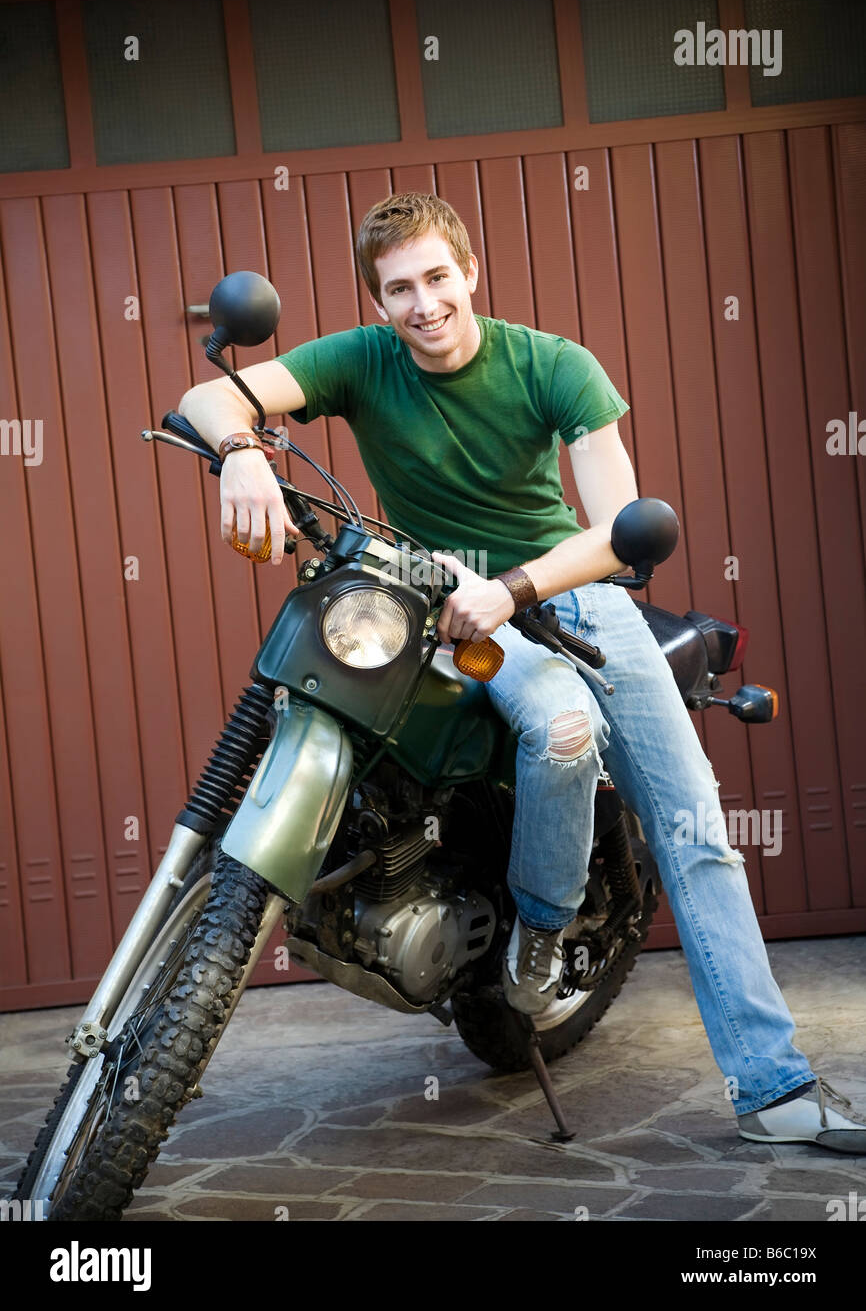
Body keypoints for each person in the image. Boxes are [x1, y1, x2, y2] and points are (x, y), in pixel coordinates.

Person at [179, 191, 865, 1153]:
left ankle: (769, 1084)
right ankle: (502, 923)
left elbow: (617, 531)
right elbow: (211, 396)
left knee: (695, 825)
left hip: (569, 589)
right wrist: (243, 453)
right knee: (558, 727)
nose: (423, 304)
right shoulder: (363, 361)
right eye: (399, 289)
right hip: (436, 592)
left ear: (471, 272)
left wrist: (514, 586)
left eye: (437, 278)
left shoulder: (555, 366)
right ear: (379, 301)